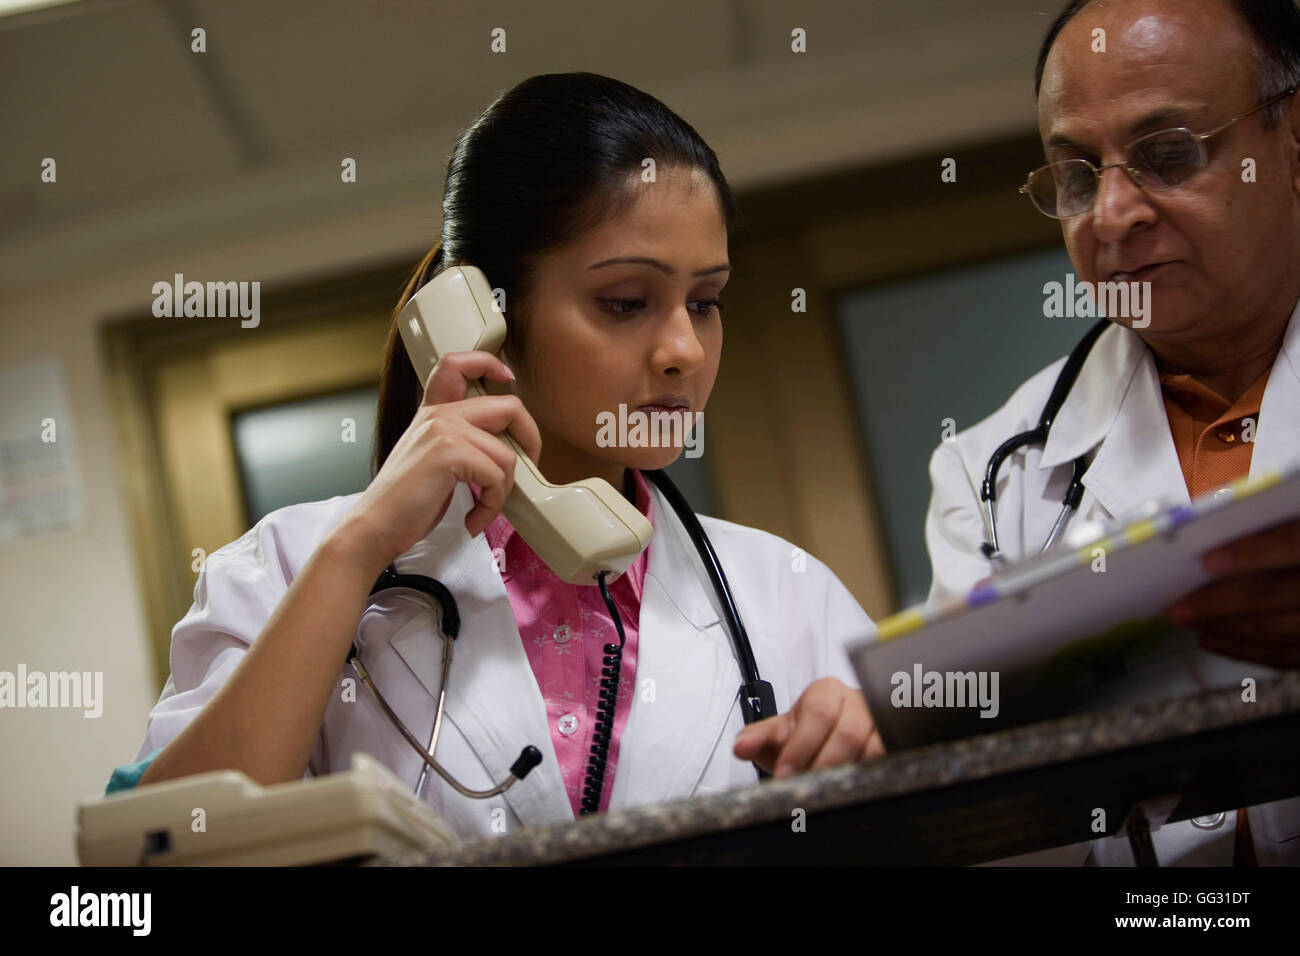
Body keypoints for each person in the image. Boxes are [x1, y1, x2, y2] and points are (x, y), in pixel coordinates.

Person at [108, 72, 883, 837]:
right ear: (486, 315)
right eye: (625, 302)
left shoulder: (787, 595)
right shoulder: (285, 570)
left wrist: (875, 768)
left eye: (705, 302)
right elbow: (160, 853)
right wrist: (358, 549)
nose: (685, 348)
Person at [925, 0, 1300, 865]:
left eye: (1169, 154)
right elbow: (998, 818)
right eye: (1078, 173)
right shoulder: (992, 471)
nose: (1113, 213)